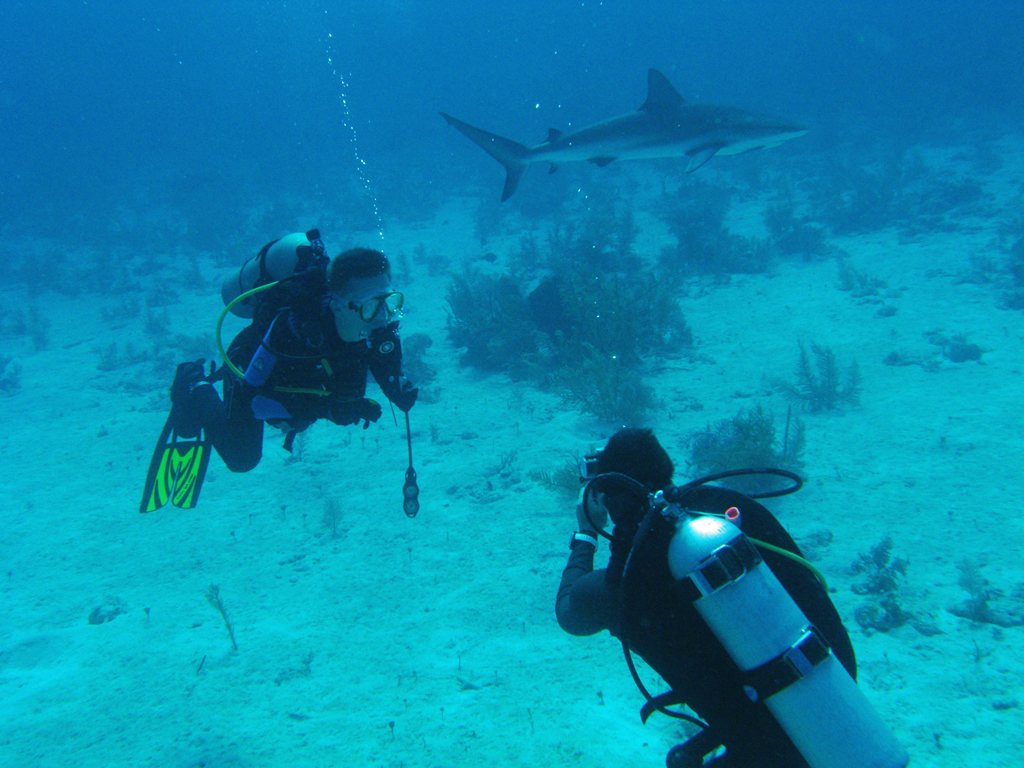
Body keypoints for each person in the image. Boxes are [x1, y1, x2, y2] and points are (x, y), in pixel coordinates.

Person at [556, 428, 858, 768]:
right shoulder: (731, 512)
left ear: (611, 498)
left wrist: (586, 532)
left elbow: (569, 613)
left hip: (771, 747)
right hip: (842, 698)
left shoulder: (626, 583)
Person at [140, 231, 417, 512]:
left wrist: (398, 390)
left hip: (311, 376)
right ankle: (195, 385)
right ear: (336, 305)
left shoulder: (377, 323)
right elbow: (255, 400)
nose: (383, 316)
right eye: (371, 306)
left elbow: (387, 364)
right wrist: (322, 410)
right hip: (251, 368)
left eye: (390, 301)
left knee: (345, 402)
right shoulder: (293, 331)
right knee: (242, 459)